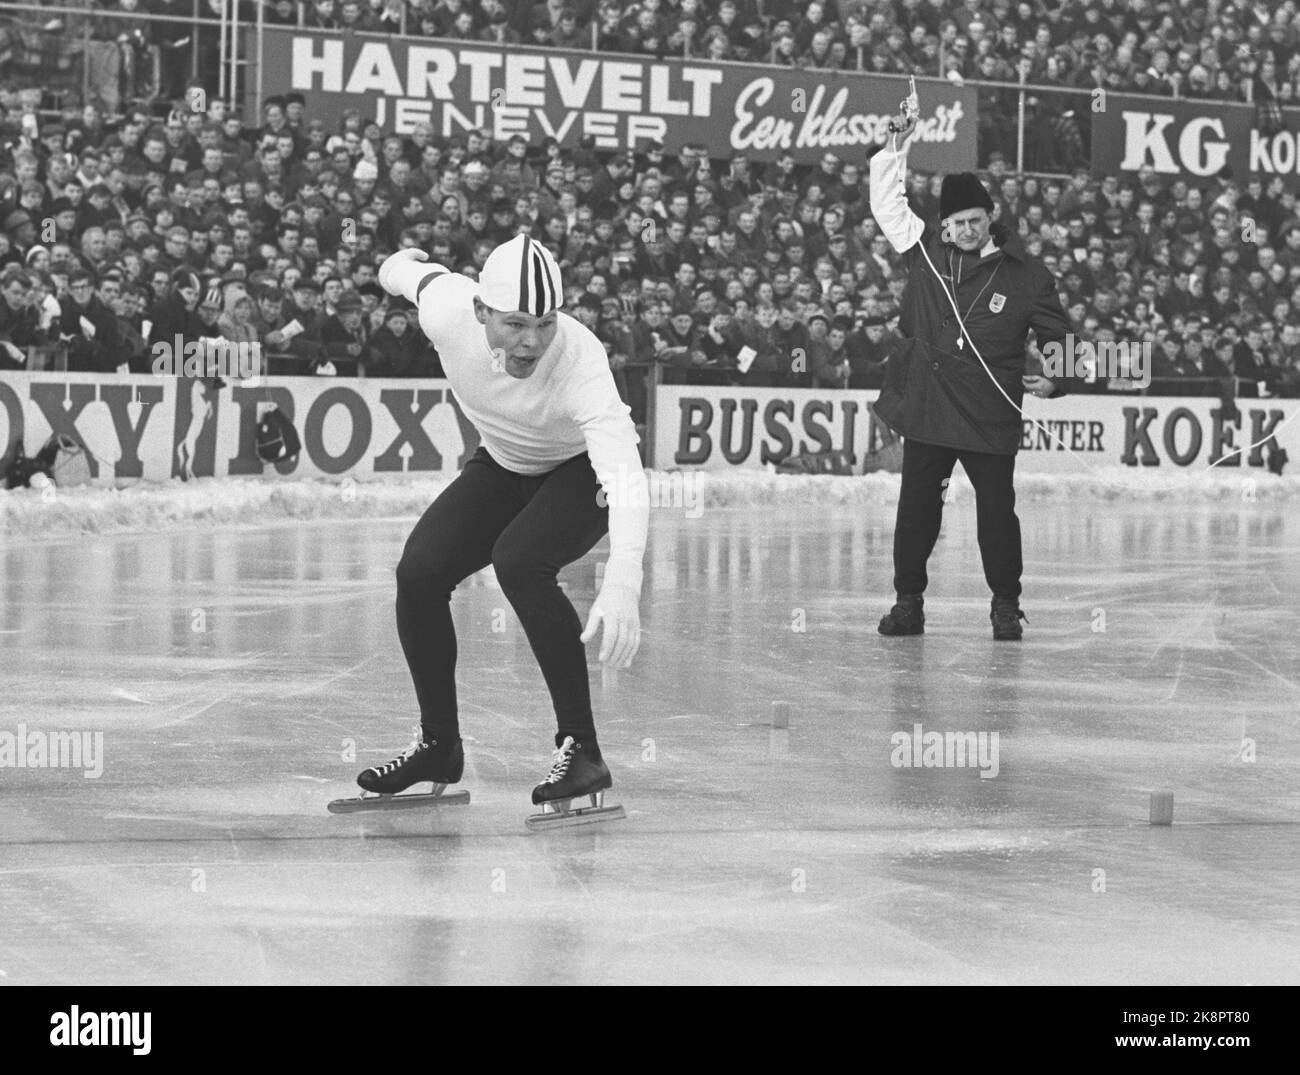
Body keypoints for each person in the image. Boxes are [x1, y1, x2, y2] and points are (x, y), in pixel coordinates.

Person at [356, 234, 648, 825]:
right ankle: (439, 746)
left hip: (578, 473)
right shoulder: (447, 309)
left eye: (544, 323)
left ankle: (582, 751)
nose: (531, 342)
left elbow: (623, 471)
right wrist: (396, 261)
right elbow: (406, 274)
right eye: (515, 324)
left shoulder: (581, 361)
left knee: (519, 561)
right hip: (504, 463)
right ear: (480, 312)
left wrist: (623, 577)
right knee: (418, 574)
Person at [868, 83, 1080, 641]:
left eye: (975, 219)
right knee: (917, 513)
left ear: (991, 218)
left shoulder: (1027, 275)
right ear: (942, 226)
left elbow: (1059, 334)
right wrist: (897, 148)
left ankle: (1005, 605)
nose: (966, 228)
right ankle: (908, 603)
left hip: (990, 414)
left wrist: (1057, 378)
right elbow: (887, 204)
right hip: (931, 410)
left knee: (996, 517)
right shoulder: (923, 255)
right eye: (956, 222)